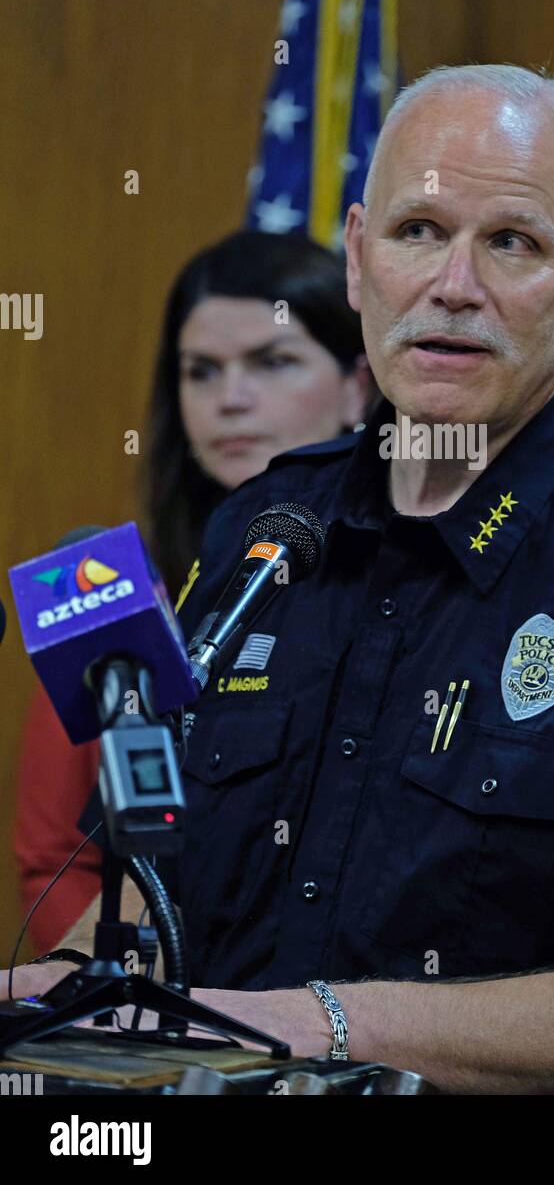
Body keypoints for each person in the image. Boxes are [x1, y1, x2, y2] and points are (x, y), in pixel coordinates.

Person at [16, 65, 554, 1095]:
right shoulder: (263, 527)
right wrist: (61, 991)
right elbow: (175, 878)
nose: (452, 285)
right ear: (356, 261)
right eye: (417, 232)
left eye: (511, 243)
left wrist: (325, 1023)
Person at [13, 230, 374, 951]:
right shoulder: (114, 587)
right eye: (201, 371)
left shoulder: (410, 591)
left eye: (272, 363)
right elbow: (58, 859)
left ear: (357, 387)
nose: (230, 399)